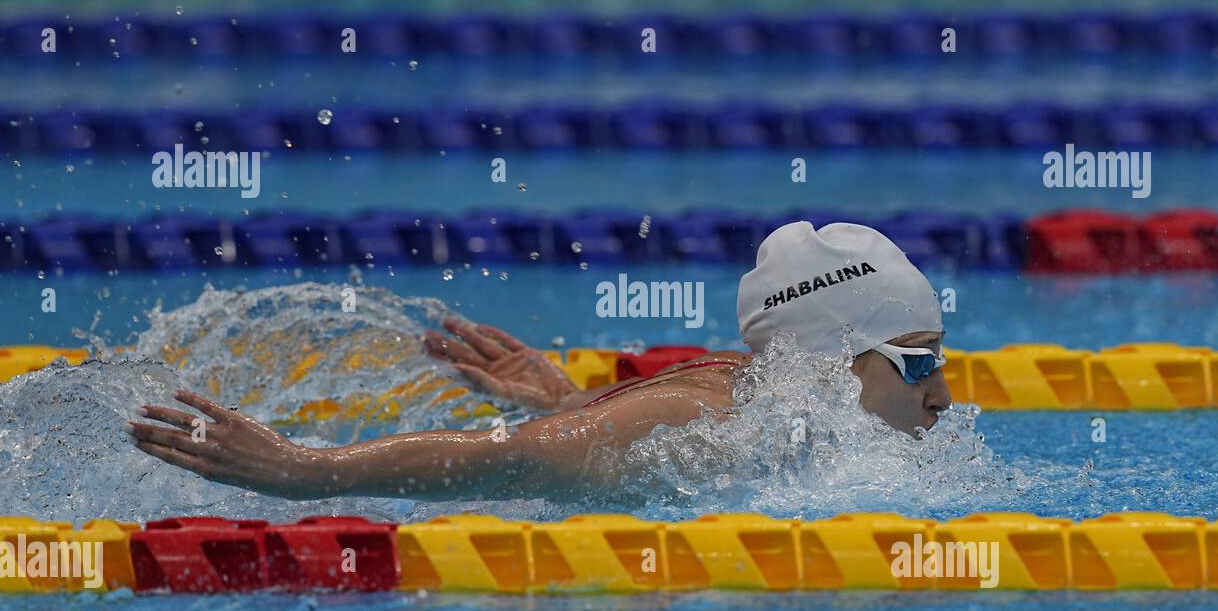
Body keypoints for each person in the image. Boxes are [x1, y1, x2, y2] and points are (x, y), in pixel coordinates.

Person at [129, 221, 952, 499]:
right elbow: (507, 461)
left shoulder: (762, 405)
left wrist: (571, 406)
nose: (943, 396)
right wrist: (303, 467)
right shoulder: (704, 418)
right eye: (918, 364)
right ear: (828, 361)